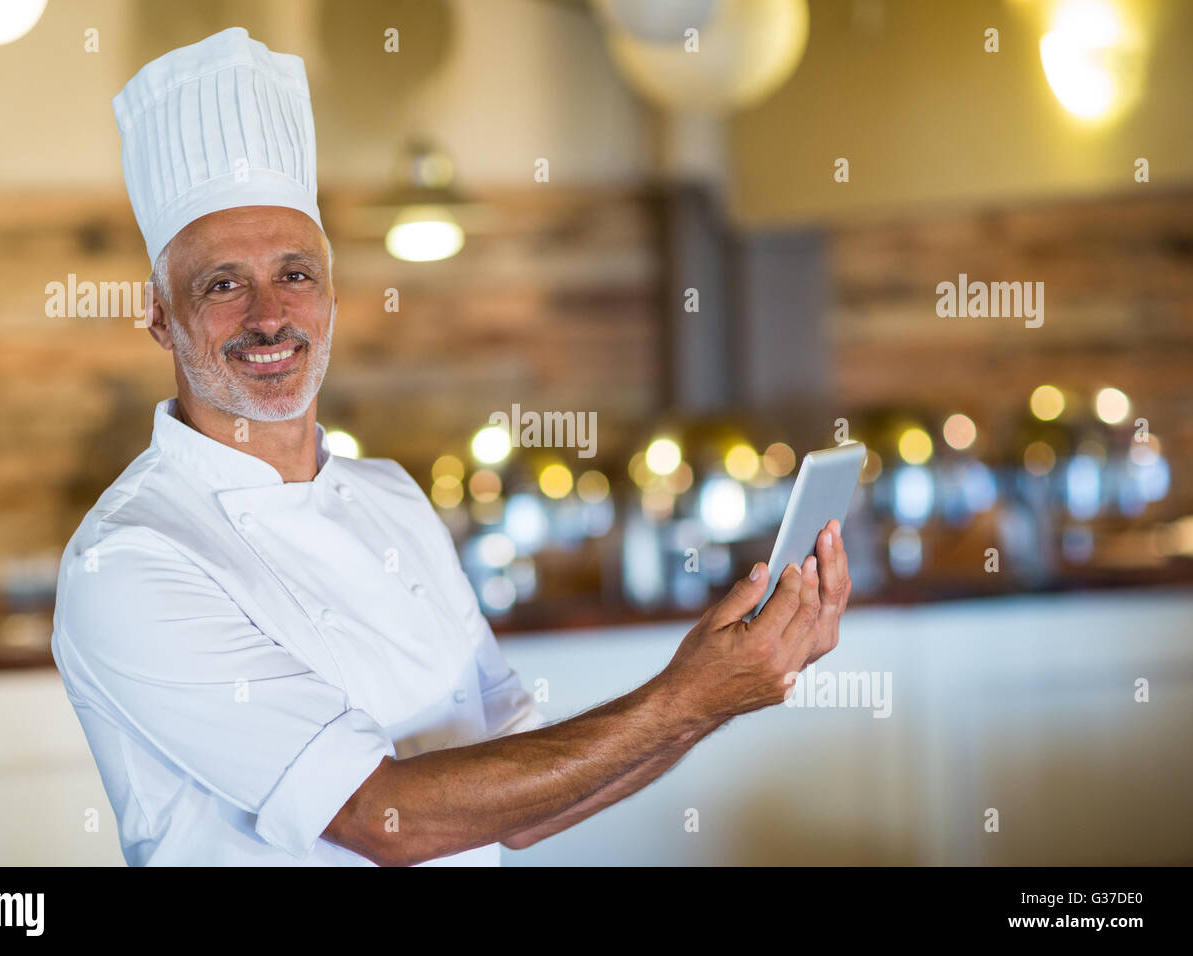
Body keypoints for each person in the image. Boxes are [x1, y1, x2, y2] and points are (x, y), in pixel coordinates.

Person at [52, 27, 852, 867]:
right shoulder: (133, 558)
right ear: (156, 315)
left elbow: (527, 806)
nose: (269, 316)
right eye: (222, 285)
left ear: (331, 294)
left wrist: (723, 689)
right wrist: (686, 696)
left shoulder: (390, 495)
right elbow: (381, 817)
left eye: (295, 273)